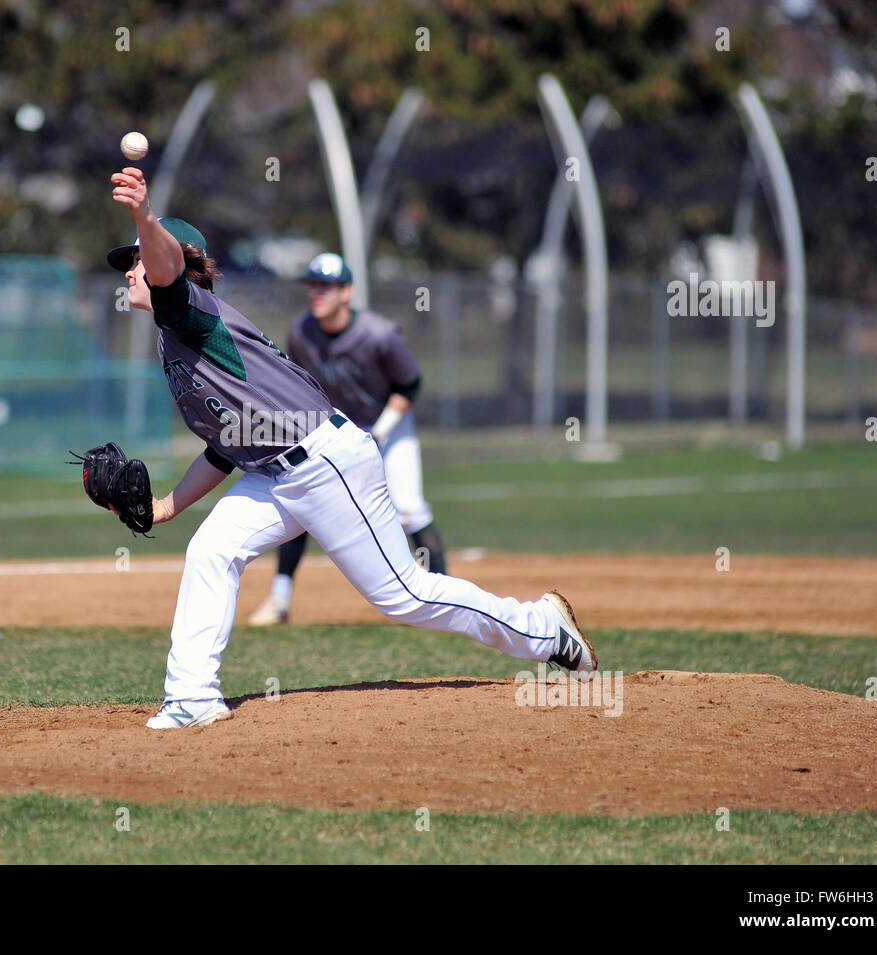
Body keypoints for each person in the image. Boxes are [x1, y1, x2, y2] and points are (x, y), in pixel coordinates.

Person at [106, 165, 596, 730]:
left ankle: (542, 629)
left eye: (137, 258)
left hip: (324, 462)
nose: (130, 270)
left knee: (404, 596)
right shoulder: (177, 340)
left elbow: (167, 271)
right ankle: (192, 697)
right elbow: (225, 446)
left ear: (177, 261)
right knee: (211, 550)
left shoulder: (189, 310)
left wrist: (145, 215)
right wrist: (167, 505)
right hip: (272, 473)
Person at [248, 252, 447, 626]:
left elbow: (410, 384)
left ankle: (445, 595)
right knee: (301, 501)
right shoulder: (302, 332)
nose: (316, 293)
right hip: (335, 433)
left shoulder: (380, 334)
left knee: (408, 508)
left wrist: (382, 430)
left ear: (347, 291)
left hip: (387, 427)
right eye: (312, 285)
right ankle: (279, 599)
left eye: (326, 286)